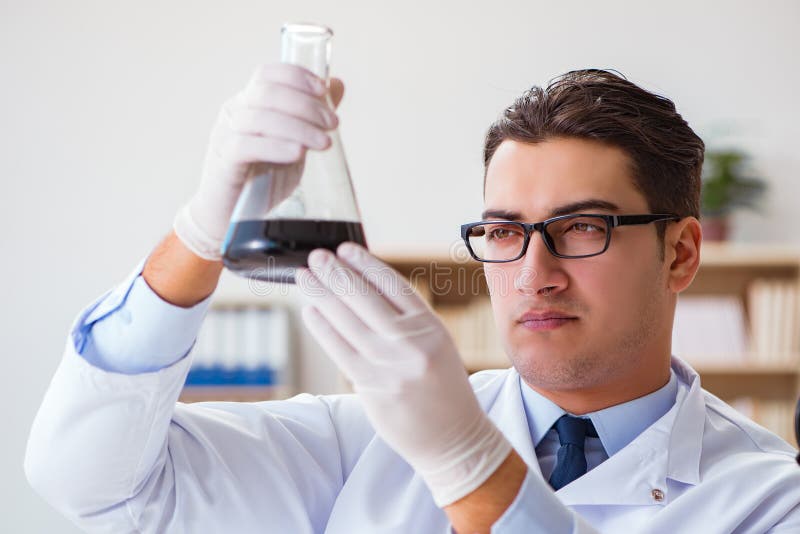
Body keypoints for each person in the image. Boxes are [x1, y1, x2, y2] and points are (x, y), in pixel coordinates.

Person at [25, 65, 800, 533]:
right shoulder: (365, 439)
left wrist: (468, 466)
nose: (534, 272)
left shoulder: (768, 498)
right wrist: (200, 231)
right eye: (502, 232)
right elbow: (90, 482)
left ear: (683, 252)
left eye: (581, 227)